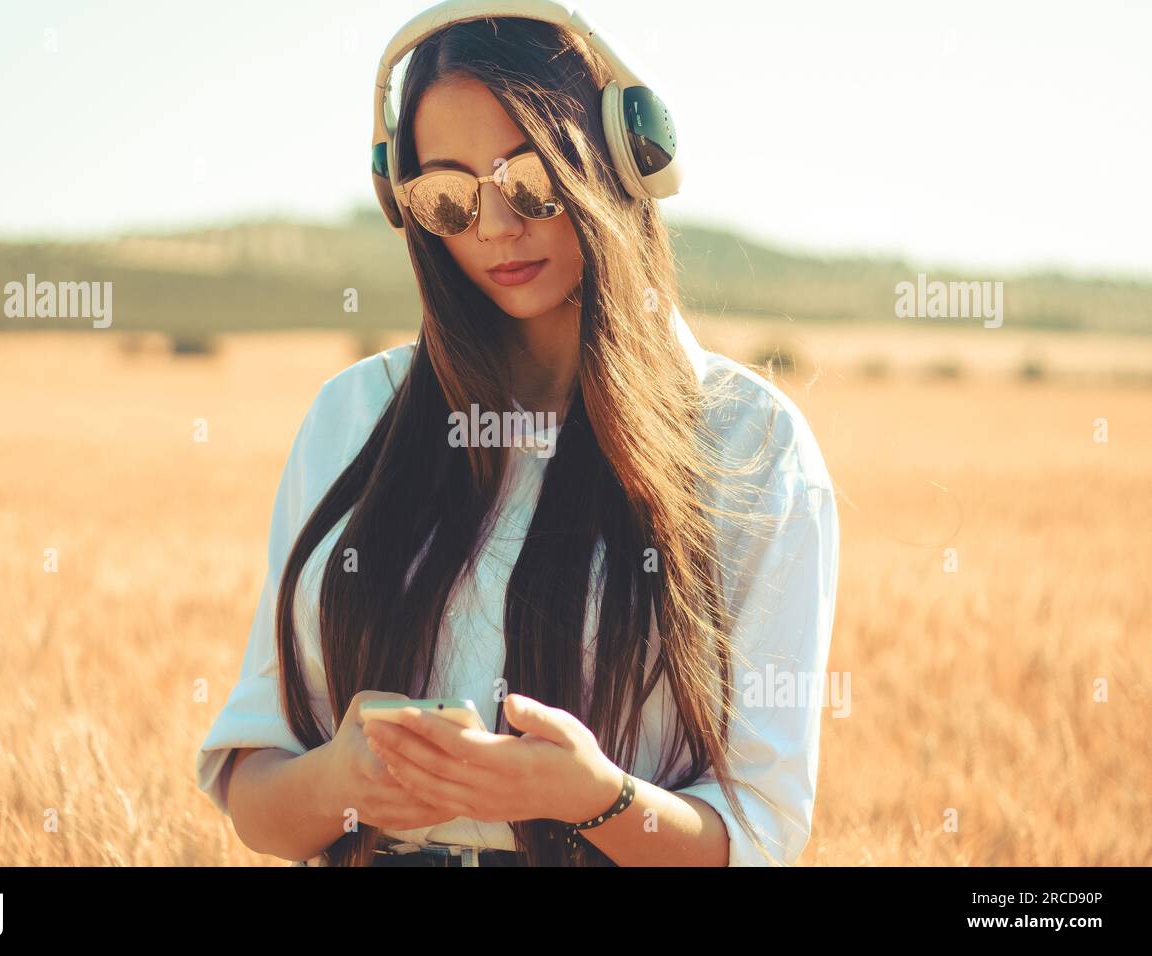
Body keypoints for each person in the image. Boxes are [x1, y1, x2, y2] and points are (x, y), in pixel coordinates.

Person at [195, 8, 839, 867]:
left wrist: (591, 800)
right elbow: (258, 802)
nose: (494, 226)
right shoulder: (351, 419)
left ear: (622, 159)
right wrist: (345, 781)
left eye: (530, 180)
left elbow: (759, 836)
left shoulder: (749, 443)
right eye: (449, 196)